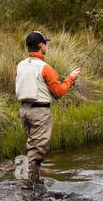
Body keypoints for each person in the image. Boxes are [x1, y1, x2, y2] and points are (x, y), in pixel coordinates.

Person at [15, 31, 80, 192]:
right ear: (41, 45)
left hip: (24, 110)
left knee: (31, 147)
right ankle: (24, 187)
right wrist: (71, 78)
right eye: (46, 43)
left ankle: (33, 181)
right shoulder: (45, 68)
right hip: (40, 113)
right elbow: (58, 92)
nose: (47, 46)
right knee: (37, 150)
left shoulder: (21, 65)